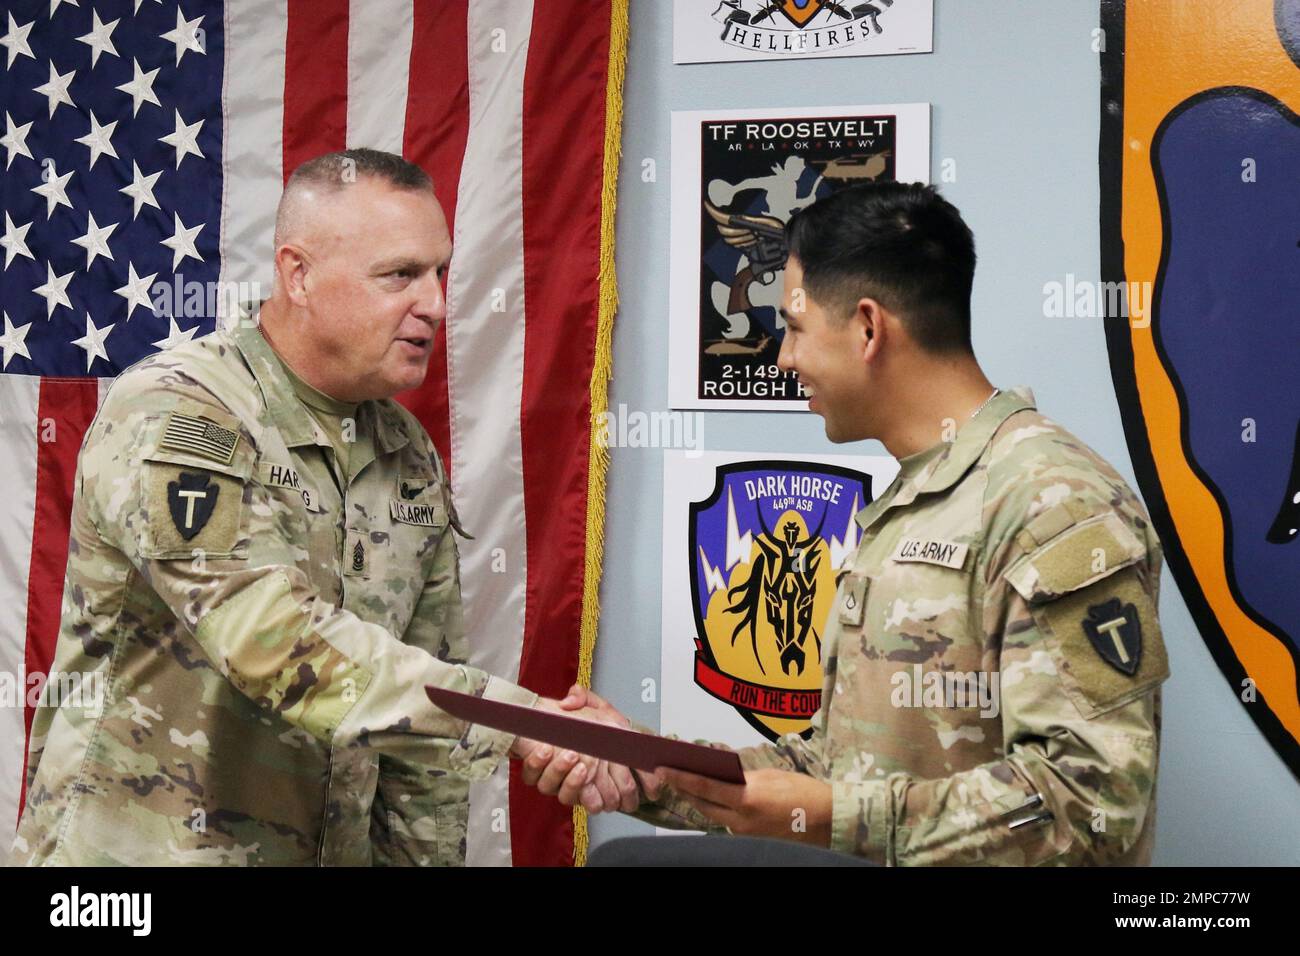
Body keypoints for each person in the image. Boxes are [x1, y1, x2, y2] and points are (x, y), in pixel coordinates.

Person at [11, 148, 633, 867]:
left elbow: (422, 755)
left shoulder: (403, 451)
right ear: (298, 274)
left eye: (438, 272)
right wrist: (514, 720)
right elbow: (265, 636)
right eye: (401, 274)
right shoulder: (185, 412)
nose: (433, 301)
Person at [531, 182, 1171, 866]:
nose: (783, 358)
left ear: (868, 328)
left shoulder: (1054, 500)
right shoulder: (914, 500)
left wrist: (829, 816)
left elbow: (1093, 804)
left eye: (796, 327)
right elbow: (836, 768)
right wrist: (655, 768)